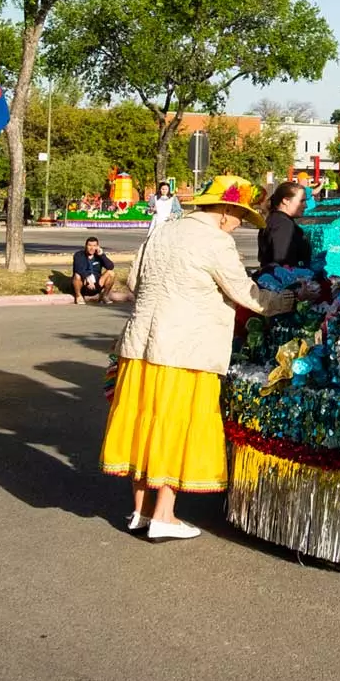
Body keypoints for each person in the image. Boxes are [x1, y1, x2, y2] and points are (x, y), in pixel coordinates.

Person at [101, 176, 294, 540]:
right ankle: (164, 515)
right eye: (240, 217)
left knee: (144, 423)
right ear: (225, 211)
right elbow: (251, 297)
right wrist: (294, 299)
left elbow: (135, 284)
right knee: (177, 426)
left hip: (140, 348)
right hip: (186, 351)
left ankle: (140, 512)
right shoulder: (216, 242)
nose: (239, 226)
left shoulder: (162, 232)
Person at [257, 181, 311, 274]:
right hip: (284, 282)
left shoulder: (274, 219)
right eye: (302, 201)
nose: (305, 205)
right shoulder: (283, 224)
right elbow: (282, 260)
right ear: (286, 200)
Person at [72, 237, 115, 304]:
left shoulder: (99, 256)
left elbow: (110, 267)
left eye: (94, 246)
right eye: (89, 245)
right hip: (84, 284)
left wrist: (102, 255)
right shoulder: (79, 255)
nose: (92, 248)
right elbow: (78, 268)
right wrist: (87, 278)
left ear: (97, 247)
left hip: (97, 283)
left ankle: (105, 296)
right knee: (77, 275)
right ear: (86, 246)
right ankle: (78, 296)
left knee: (111, 273)